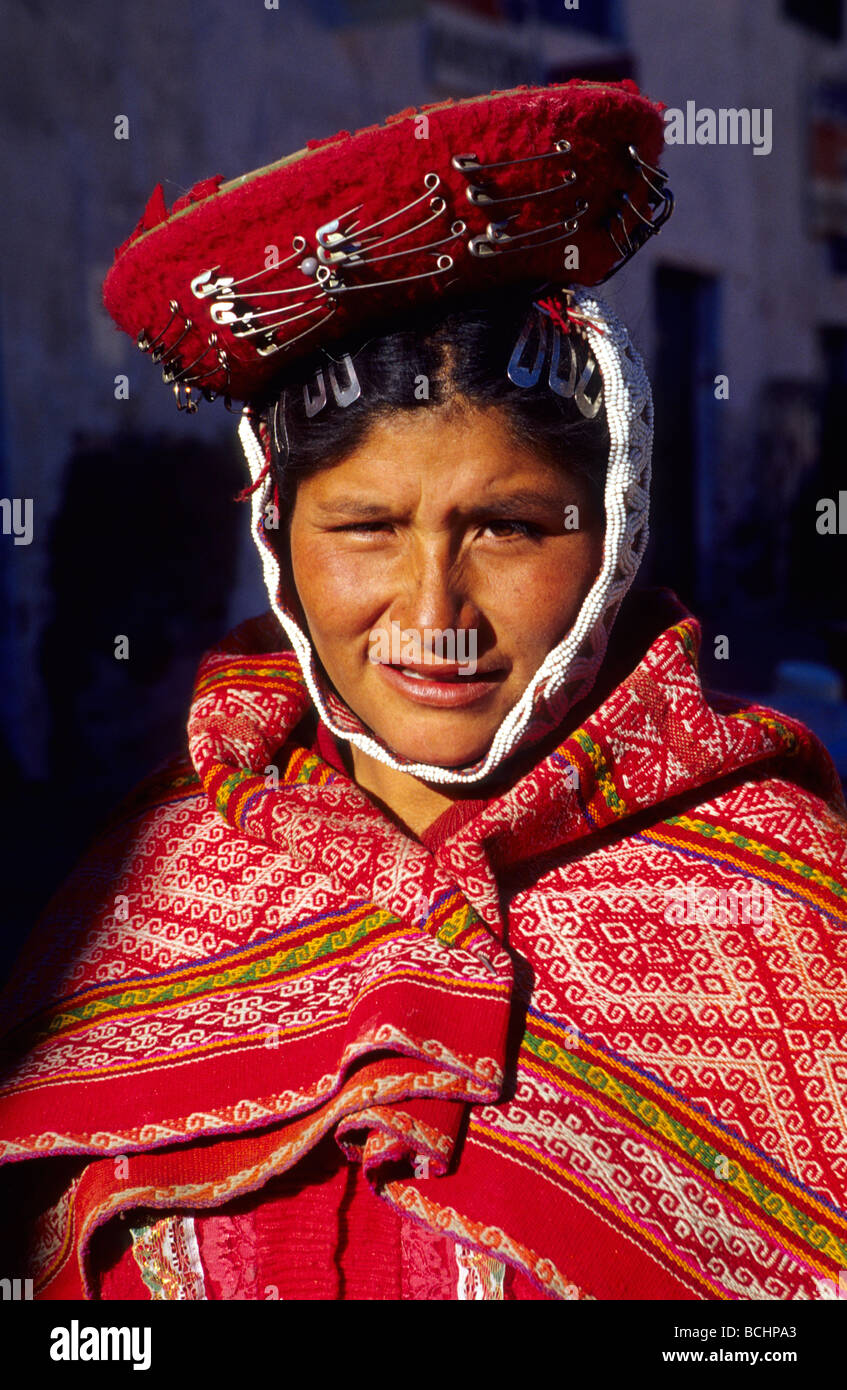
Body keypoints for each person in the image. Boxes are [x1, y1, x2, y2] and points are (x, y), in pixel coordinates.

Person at [1, 80, 846, 1302]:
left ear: (609, 529)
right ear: (279, 534)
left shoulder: (779, 918)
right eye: (366, 527)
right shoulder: (148, 884)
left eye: (504, 527)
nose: (434, 613)